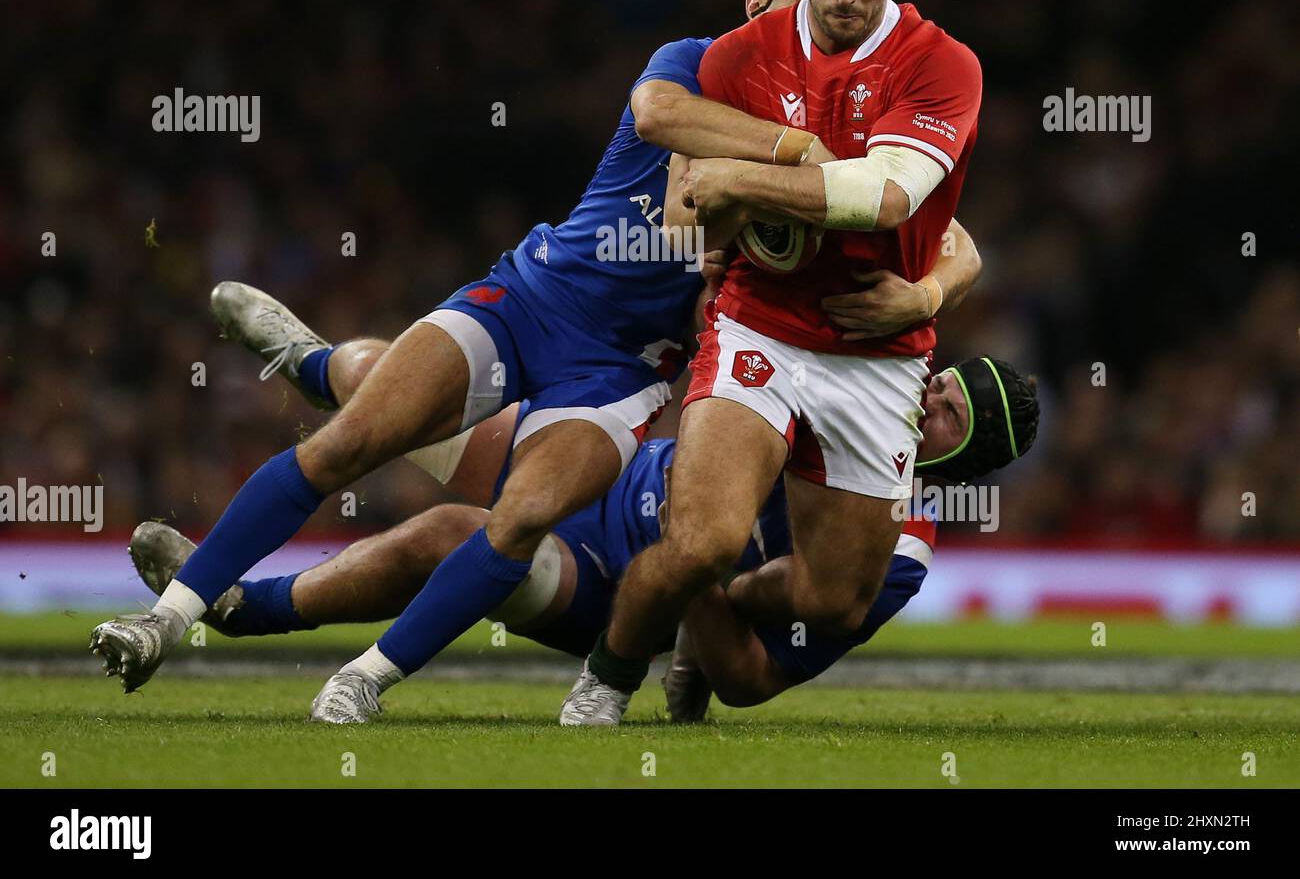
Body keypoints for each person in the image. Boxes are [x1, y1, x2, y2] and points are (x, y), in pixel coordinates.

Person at [88, 0, 907, 711]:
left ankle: (357, 677)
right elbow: (683, 198)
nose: (800, 36)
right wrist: (791, 166)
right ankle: (169, 619)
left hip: (619, 371)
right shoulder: (695, 68)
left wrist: (919, 289)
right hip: (534, 296)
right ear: (754, 1)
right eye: (791, 7)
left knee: (502, 521)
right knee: (353, 440)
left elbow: (898, 224)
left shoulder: (838, 129)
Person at [562, 0, 982, 725]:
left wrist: (756, 172)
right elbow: (677, 184)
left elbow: (889, 199)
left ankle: (693, 631)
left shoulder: (941, 65)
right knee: (706, 539)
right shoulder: (742, 56)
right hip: (758, 325)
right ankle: (602, 684)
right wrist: (720, 196)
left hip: (878, 354)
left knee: (833, 599)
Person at [126, 352, 1038, 723]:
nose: (931, 395)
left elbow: (761, 676)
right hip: (618, 471)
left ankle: (248, 608)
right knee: (421, 385)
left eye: (953, 411)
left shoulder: (900, 547)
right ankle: (317, 360)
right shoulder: (851, 381)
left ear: (962, 459)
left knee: (450, 532)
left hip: (614, 582)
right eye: (944, 379)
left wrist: (694, 594)